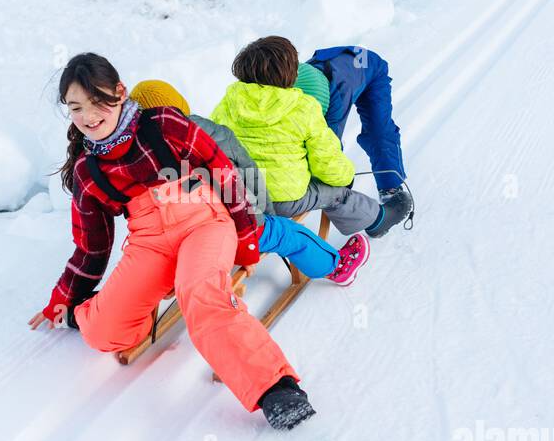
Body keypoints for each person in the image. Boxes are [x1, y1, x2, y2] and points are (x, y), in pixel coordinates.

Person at [27, 52, 315, 430]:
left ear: (119, 92)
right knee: (102, 333)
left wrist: (246, 237)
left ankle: (275, 388)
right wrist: (64, 298)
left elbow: (223, 173)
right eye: (76, 107)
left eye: (97, 102)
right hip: (150, 241)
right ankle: (116, 309)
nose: (88, 116)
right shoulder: (88, 169)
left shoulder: (162, 124)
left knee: (201, 295)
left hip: (204, 223)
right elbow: (91, 246)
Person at [128, 79, 371, 286]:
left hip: (172, 243)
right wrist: (268, 214)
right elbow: (247, 171)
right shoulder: (207, 132)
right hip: (232, 229)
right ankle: (336, 266)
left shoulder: (131, 155)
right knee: (290, 234)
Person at [211, 36, 389, 239]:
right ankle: (377, 220)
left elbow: (214, 144)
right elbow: (326, 163)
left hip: (237, 195)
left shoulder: (227, 103)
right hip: (282, 201)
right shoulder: (304, 107)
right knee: (338, 194)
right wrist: (346, 177)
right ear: (291, 74)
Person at [298, 45, 414, 234]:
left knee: (379, 131)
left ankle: (390, 187)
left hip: (369, 70)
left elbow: (330, 150)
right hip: (331, 68)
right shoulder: (288, 90)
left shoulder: (334, 102)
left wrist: (337, 180)